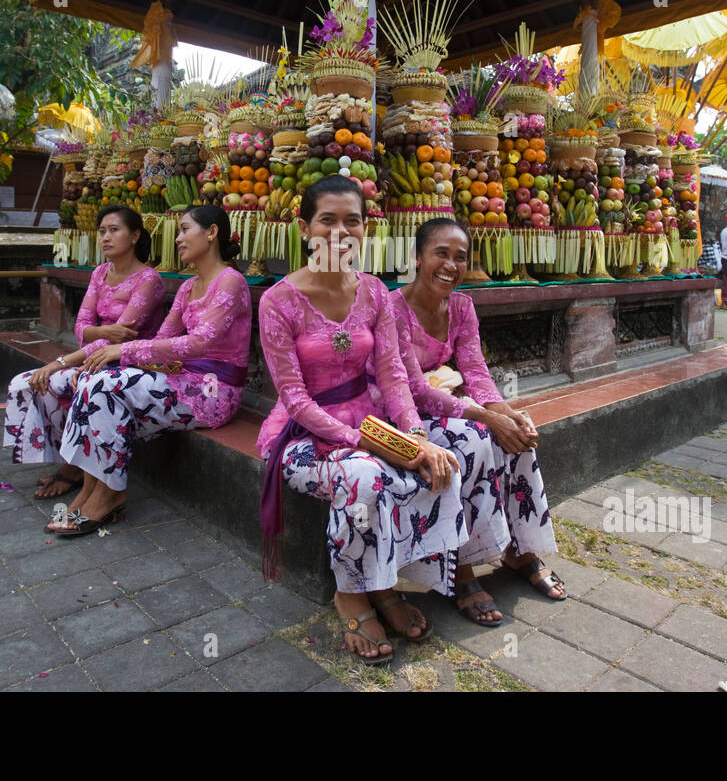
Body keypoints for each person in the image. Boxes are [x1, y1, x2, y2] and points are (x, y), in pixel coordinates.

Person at [258, 176, 464, 665]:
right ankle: (351, 592)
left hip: (367, 417)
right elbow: (294, 398)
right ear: (303, 226)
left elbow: (394, 376)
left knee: (441, 454)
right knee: (365, 475)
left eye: (352, 221)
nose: (340, 232)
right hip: (303, 433)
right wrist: (367, 442)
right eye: (327, 220)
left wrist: (412, 434)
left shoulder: (373, 292)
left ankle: (386, 582)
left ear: (366, 229)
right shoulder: (277, 302)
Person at [384, 218, 562, 626]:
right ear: (416, 257)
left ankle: (519, 549)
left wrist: (507, 412)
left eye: (460, 257)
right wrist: (485, 417)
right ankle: (460, 568)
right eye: (440, 254)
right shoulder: (393, 309)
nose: (450, 265)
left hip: (452, 405)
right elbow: (412, 387)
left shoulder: (462, 306)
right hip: (405, 414)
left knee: (516, 433)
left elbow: (476, 372)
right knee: (475, 441)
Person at [51, 204, 250, 533]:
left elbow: (199, 343)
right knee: (94, 381)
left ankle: (109, 492)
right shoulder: (187, 287)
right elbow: (161, 340)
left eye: (186, 229)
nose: (179, 238)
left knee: (105, 387)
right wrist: (97, 357)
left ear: (212, 232)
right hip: (181, 379)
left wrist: (123, 349)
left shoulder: (231, 282)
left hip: (213, 392)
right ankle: (94, 488)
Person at [3, 205, 164, 497]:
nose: (105, 237)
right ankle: (70, 462)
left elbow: (119, 339)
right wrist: (102, 331)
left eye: (114, 230)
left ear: (135, 235)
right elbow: (82, 327)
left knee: (72, 381)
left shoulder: (148, 280)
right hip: (92, 357)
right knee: (29, 383)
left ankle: (78, 469)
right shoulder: (100, 273)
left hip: (127, 364)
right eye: (102, 231)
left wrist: (58, 362)